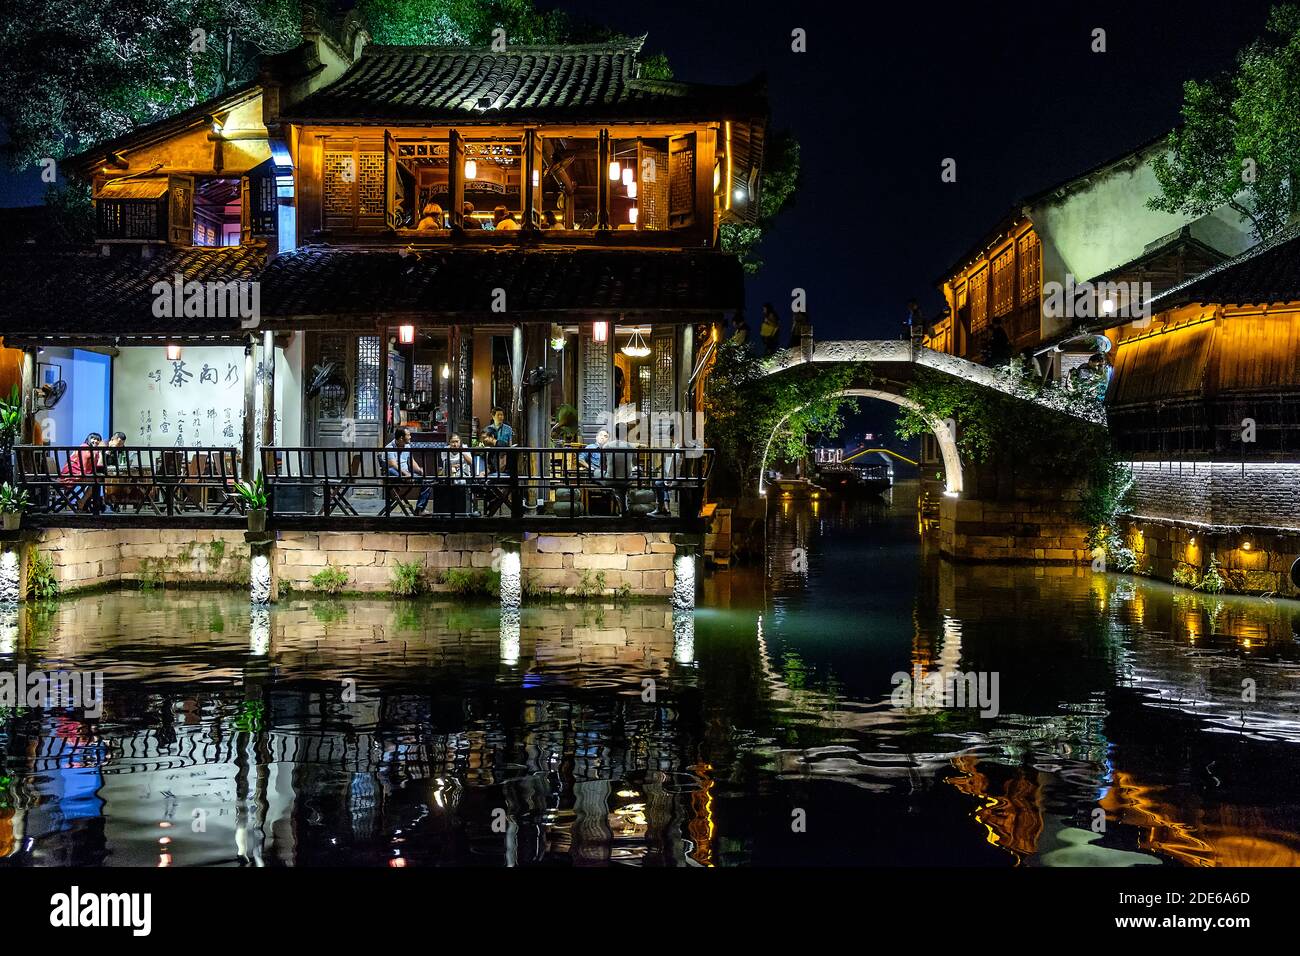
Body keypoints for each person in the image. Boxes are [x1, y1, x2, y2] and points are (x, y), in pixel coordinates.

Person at [383, 427, 431, 514]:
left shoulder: (407, 446)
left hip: (406, 474)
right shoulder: (389, 447)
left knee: (427, 481)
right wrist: (405, 474)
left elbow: (411, 462)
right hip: (393, 474)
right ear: (401, 438)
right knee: (391, 469)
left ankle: (420, 509)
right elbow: (392, 464)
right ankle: (406, 478)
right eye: (408, 435)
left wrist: (420, 471)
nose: (410, 437)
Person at [59, 432, 103, 512]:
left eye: (98, 440)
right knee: (97, 480)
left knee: (96, 480)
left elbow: (97, 466)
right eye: (93, 438)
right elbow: (84, 468)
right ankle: (83, 503)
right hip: (72, 474)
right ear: (88, 439)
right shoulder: (85, 448)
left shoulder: (92, 450)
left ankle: (83, 503)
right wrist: (99, 453)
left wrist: (99, 453)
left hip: (76, 473)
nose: (96, 441)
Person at [484, 406, 513, 474]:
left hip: (504, 454)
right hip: (492, 454)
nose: (501, 417)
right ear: (493, 416)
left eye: (502, 415)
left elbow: (510, 442)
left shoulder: (508, 429)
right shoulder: (488, 429)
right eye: (498, 415)